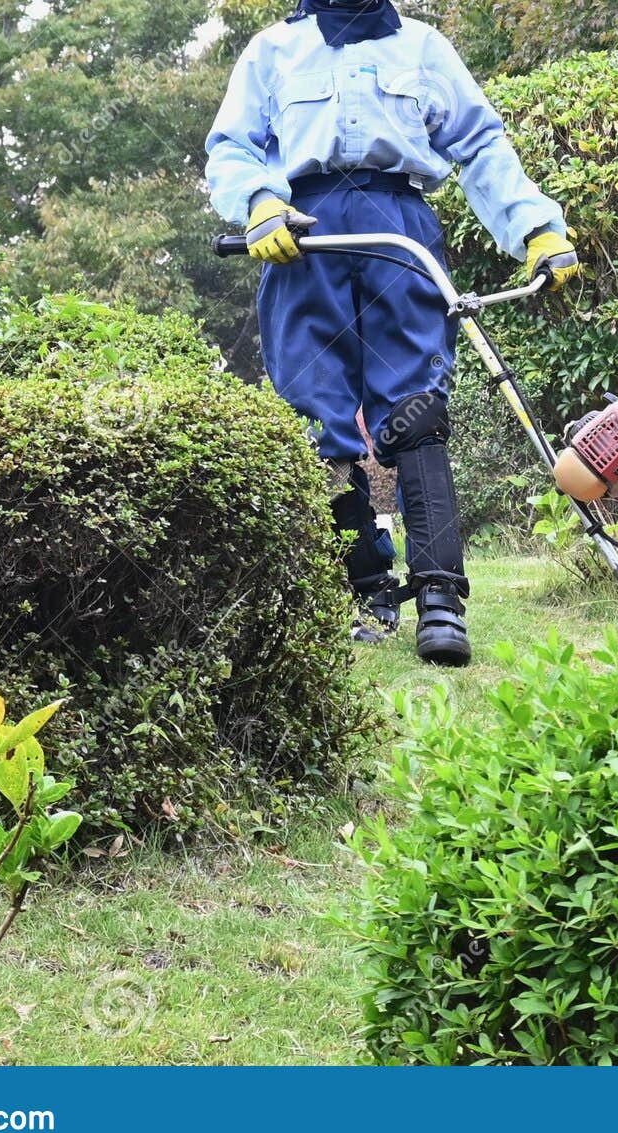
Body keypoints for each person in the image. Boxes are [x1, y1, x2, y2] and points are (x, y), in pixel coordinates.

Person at [206, 0, 579, 667]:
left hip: (399, 233)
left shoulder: (425, 48)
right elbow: (233, 147)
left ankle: (440, 599)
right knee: (311, 424)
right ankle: (366, 589)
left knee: (415, 413)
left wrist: (535, 227)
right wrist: (260, 203)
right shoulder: (271, 52)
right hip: (302, 238)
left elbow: (479, 142)